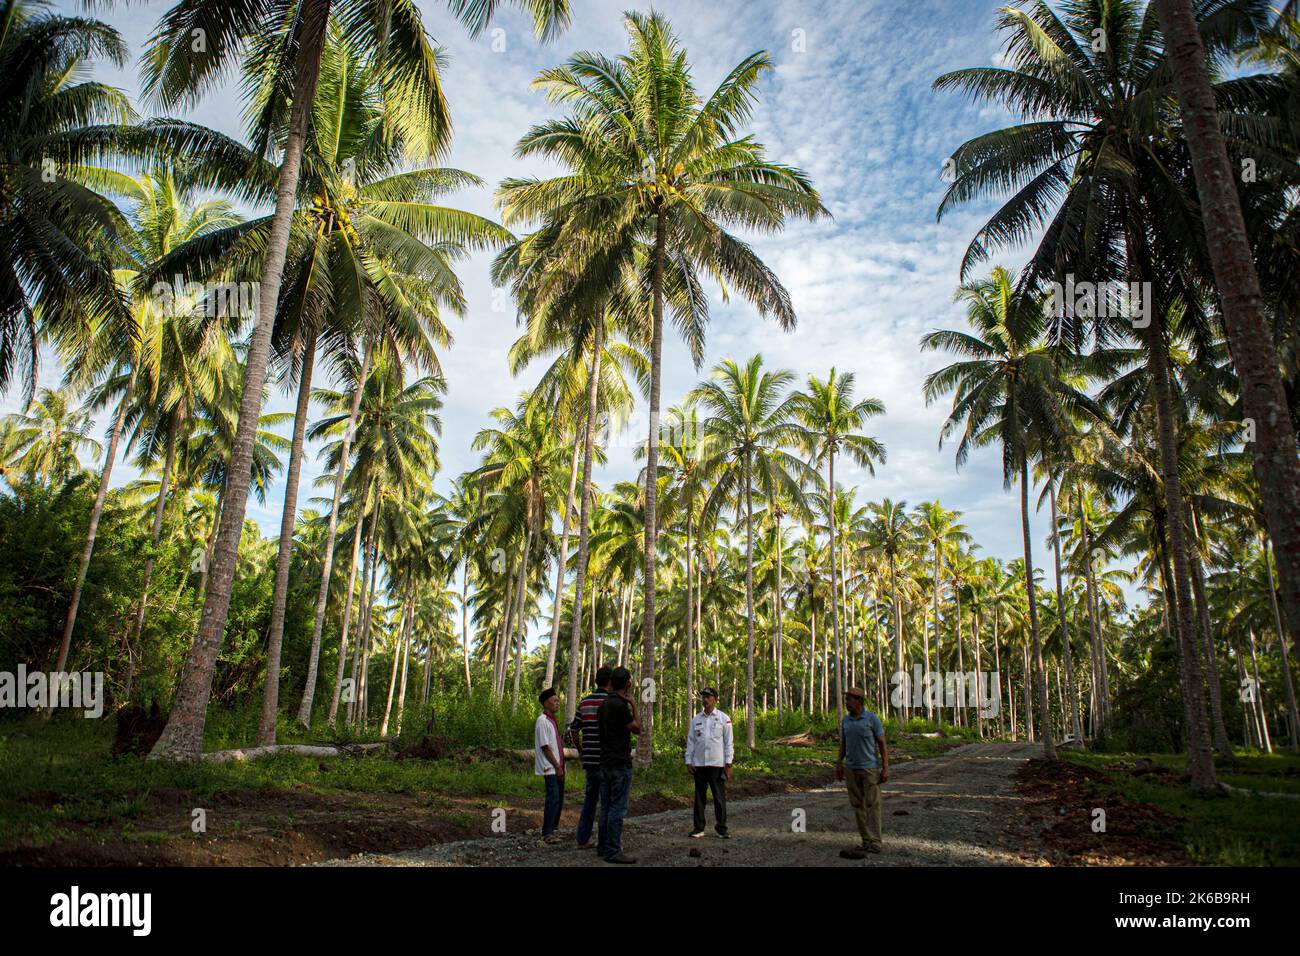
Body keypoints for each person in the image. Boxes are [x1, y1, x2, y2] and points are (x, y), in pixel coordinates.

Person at [835, 687, 889, 858]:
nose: (846, 702)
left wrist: (885, 767)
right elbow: (844, 744)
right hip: (851, 769)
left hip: (870, 769)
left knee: (873, 805)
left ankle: (875, 842)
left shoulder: (872, 719)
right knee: (858, 805)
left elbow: (882, 744)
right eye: (846, 699)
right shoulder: (846, 721)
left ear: (859, 701)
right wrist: (839, 764)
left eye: (849, 699)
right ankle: (866, 840)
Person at [596, 666, 639, 863]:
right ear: (628, 685)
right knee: (617, 809)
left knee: (605, 806)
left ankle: (603, 847)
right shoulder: (621, 706)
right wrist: (633, 704)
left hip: (604, 762)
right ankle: (613, 850)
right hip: (619, 764)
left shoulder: (603, 704)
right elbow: (638, 729)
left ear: (611, 682)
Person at [568, 665, 612, 849]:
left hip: (590, 761)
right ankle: (605, 842)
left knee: (589, 801)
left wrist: (581, 751)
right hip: (607, 761)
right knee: (607, 804)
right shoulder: (611, 701)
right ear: (610, 682)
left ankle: (582, 840)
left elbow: (573, 730)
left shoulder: (584, 703)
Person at [685, 687, 733, 838]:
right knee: (699, 798)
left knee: (719, 798)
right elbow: (691, 742)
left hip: (717, 764)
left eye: (709, 697)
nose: (705, 700)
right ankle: (699, 828)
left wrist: (728, 764)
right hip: (699, 764)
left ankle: (721, 828)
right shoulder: (696, 720)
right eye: (704, 697)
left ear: (715, 699)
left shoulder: (724, 718)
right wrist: (688, 760)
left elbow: (728, 742)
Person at [534, 687, 566, 844]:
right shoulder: (542, 721)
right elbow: (545, 748)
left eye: (558, 701)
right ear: (546, 703)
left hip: (557, 767)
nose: (557, 703)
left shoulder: (552, 721)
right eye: (555, 701)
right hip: (550, 767)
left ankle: (553, 830)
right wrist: (557, 766)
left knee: (558, 799)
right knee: (553, 798)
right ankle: (547, 833)